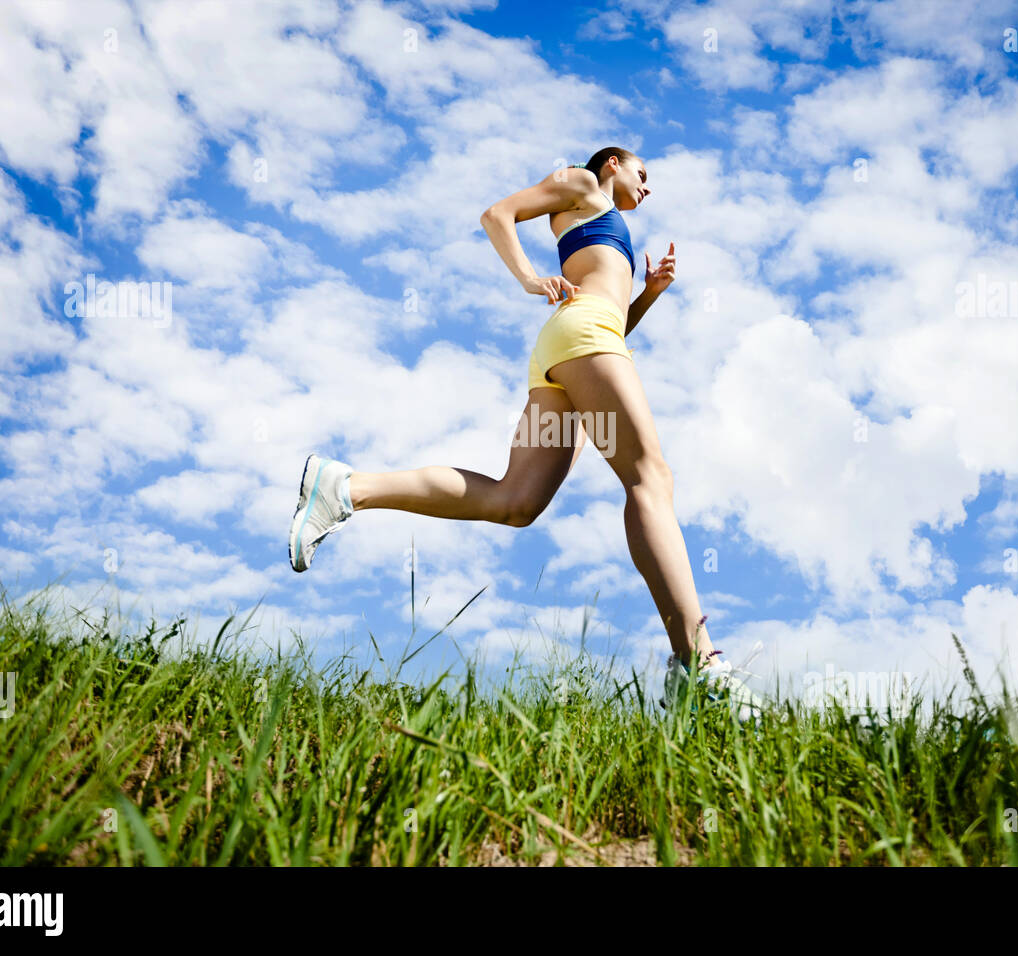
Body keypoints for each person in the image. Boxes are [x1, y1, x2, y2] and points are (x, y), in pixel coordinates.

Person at [287, 146, 763, 721]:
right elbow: (497, 214)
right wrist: (529, 279)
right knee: (650, 478)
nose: (648, 187)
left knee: (516, 500)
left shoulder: (601, 226)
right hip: (582, 339)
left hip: (569, 348)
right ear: (613, 162)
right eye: (644, 173)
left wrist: (649, 294)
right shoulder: (584, 183)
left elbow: (610, 315)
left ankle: (347, 488)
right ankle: (698, 663)